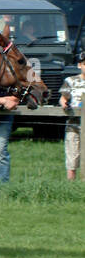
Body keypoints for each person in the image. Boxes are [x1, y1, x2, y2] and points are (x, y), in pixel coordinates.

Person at [60, 48, 85, 180]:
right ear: (79, 65)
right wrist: (64, 103)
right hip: (73, 125)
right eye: (84, 64)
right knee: (72, 158)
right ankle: (71, 185)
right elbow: (63, 97)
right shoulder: (71, 80)